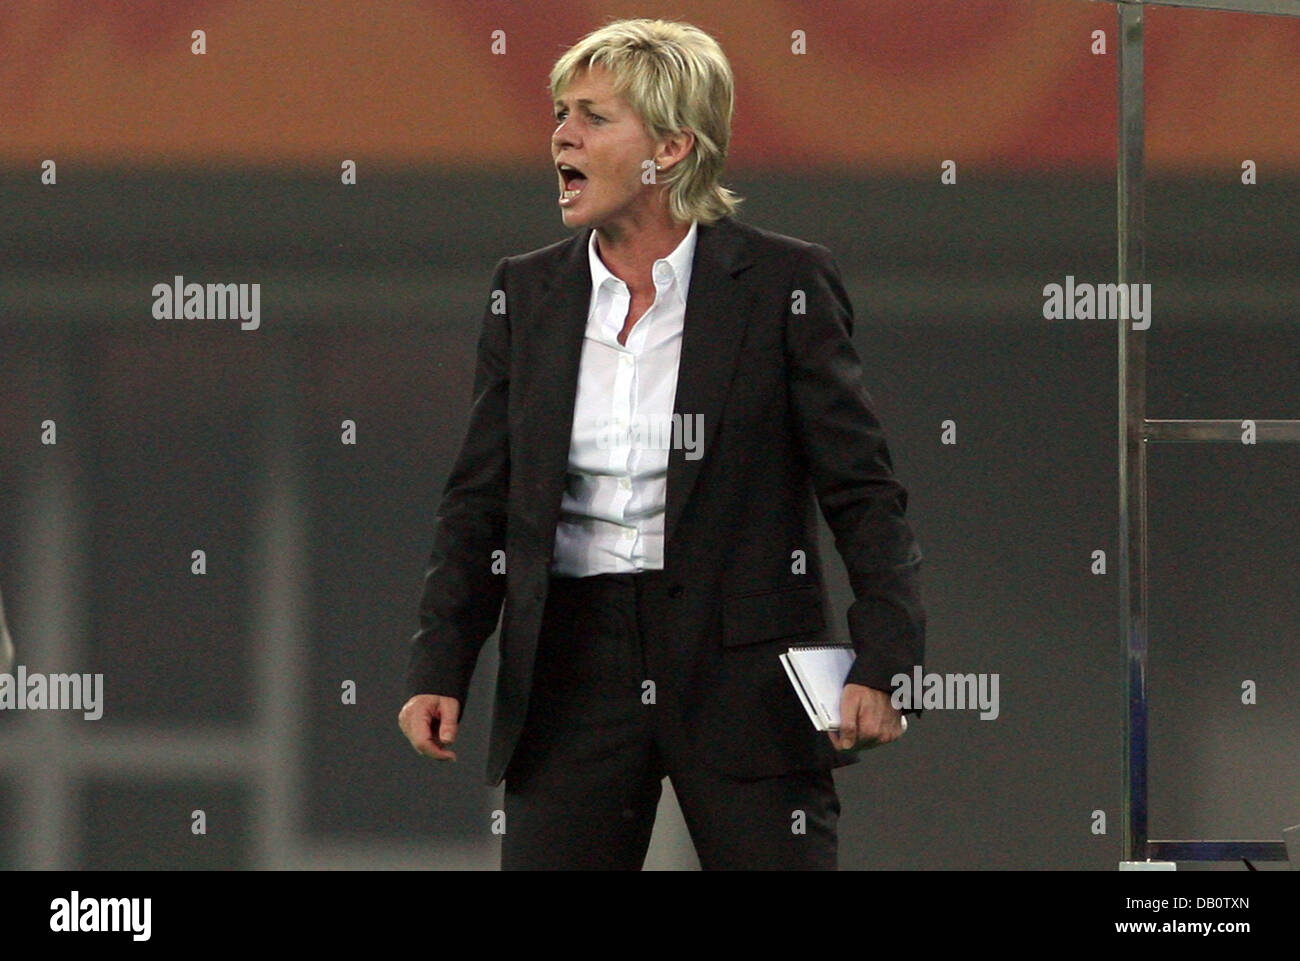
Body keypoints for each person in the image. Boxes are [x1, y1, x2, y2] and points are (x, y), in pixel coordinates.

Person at [398, 17, 925, 870]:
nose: (562, 135)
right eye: (560, 114)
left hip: (744, 664)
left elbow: (863, 493)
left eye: (595, 117)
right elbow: (480, 500)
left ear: (673, 147)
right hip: (571, 666)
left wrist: (886, 659)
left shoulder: (783, 285)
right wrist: (441, 661)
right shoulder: (528, 291)